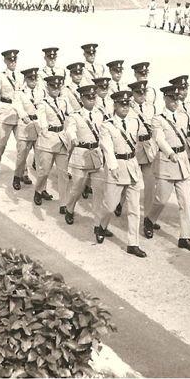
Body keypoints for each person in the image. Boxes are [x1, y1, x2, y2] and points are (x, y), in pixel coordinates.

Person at [144, 85, 190, 252]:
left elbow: (189, 136)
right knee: (161, 199)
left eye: (177, 98)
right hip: (167, 162)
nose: (175, 102)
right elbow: (159, 139)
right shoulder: (158, 119)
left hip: (182, 161)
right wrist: (170, 153)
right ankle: (149, 219)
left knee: (185, 202)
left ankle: (185, 237)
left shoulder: (183, 117)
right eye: (171, 98)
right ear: (165, 98)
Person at [95, 90, 147, 257]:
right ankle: (101, 226)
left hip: (132, 166)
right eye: (122, 104)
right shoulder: (107, 125)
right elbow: (107, 147)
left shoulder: (134, 122)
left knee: (134, 209)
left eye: (127, 104)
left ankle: (133, 243)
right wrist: (112, 166)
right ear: (115, 105)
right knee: (110, 206)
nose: (125, 107)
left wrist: (138, 111)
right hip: (116, 167)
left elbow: (146, 133)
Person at [63, 85, 105, 225]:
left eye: (94, 97)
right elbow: (70, 129)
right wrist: (73, 138)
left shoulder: (100, 113)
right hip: (81, 156)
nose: (92, 100)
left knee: (99, 191)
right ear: (82, 99)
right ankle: (69, 208)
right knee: (77, 188)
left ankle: (98, 224)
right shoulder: (75, 116)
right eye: (88, 97)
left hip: (96, 155)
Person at [33, 75, 71, 210]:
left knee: (63, 174)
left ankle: (64, 203)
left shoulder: (64, 101)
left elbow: (70, 116)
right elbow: (42, 118)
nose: (55, 89)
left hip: (61, 139)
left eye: (58, 87)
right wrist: (43, 129)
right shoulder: (43, 103)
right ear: (47, 87)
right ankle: (38, 190)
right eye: (52, 87)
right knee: (44, 171)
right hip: (48, 140)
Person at [127, 80, 159, 227]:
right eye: (138, 93)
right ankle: (119, 205)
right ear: (132, 94)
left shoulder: (151, 107)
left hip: (148, 147)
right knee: (128, 182)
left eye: (143, 92)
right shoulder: (128, 108)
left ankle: (148, 218)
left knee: (150, 184)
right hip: (134, 147)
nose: (141, 95)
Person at [12, 67, 45, 190]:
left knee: (41, 159)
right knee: (22, 156)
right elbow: (16, 104)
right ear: (25, 79)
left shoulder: (40, 92)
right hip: (25, 128)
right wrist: (23, 115)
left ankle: (42, 189)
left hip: (37, 127)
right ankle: (17, 177)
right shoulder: (20, 93)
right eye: (31, 79)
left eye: (35, 79)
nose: (33, 81)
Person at [0, 49, 20, 178]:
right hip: (5, 112)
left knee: (22, 143)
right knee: (2, 141)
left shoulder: (21, 76)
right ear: (5, 61)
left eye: (14, 60)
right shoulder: (0, 76)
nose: (12, 62)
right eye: (10, 60)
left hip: (19, 112)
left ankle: (22, 172)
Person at [169, 75, 190, 206]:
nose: (184, 92)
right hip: (177, 146)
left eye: (186, 88)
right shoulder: (172, 107)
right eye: (181, 89)